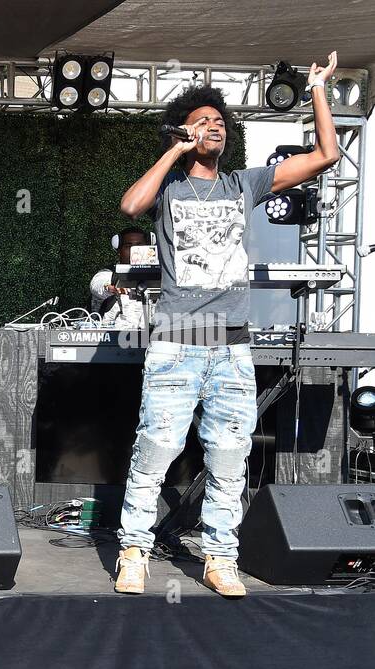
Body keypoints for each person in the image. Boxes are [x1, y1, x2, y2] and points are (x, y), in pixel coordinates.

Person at [114, 53, 340, 597]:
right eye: (202, 121)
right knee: (154, 453)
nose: (214, 126)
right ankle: (133, 552)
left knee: (229, 458)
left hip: (232, 348)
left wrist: (316, 91)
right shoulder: (167, 189)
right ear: (184, 129)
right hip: (175, 345)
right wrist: (175, 149)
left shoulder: (245, 183)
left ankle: (221, 558)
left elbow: (327, 155)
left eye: (219, 122)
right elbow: (129, 206)